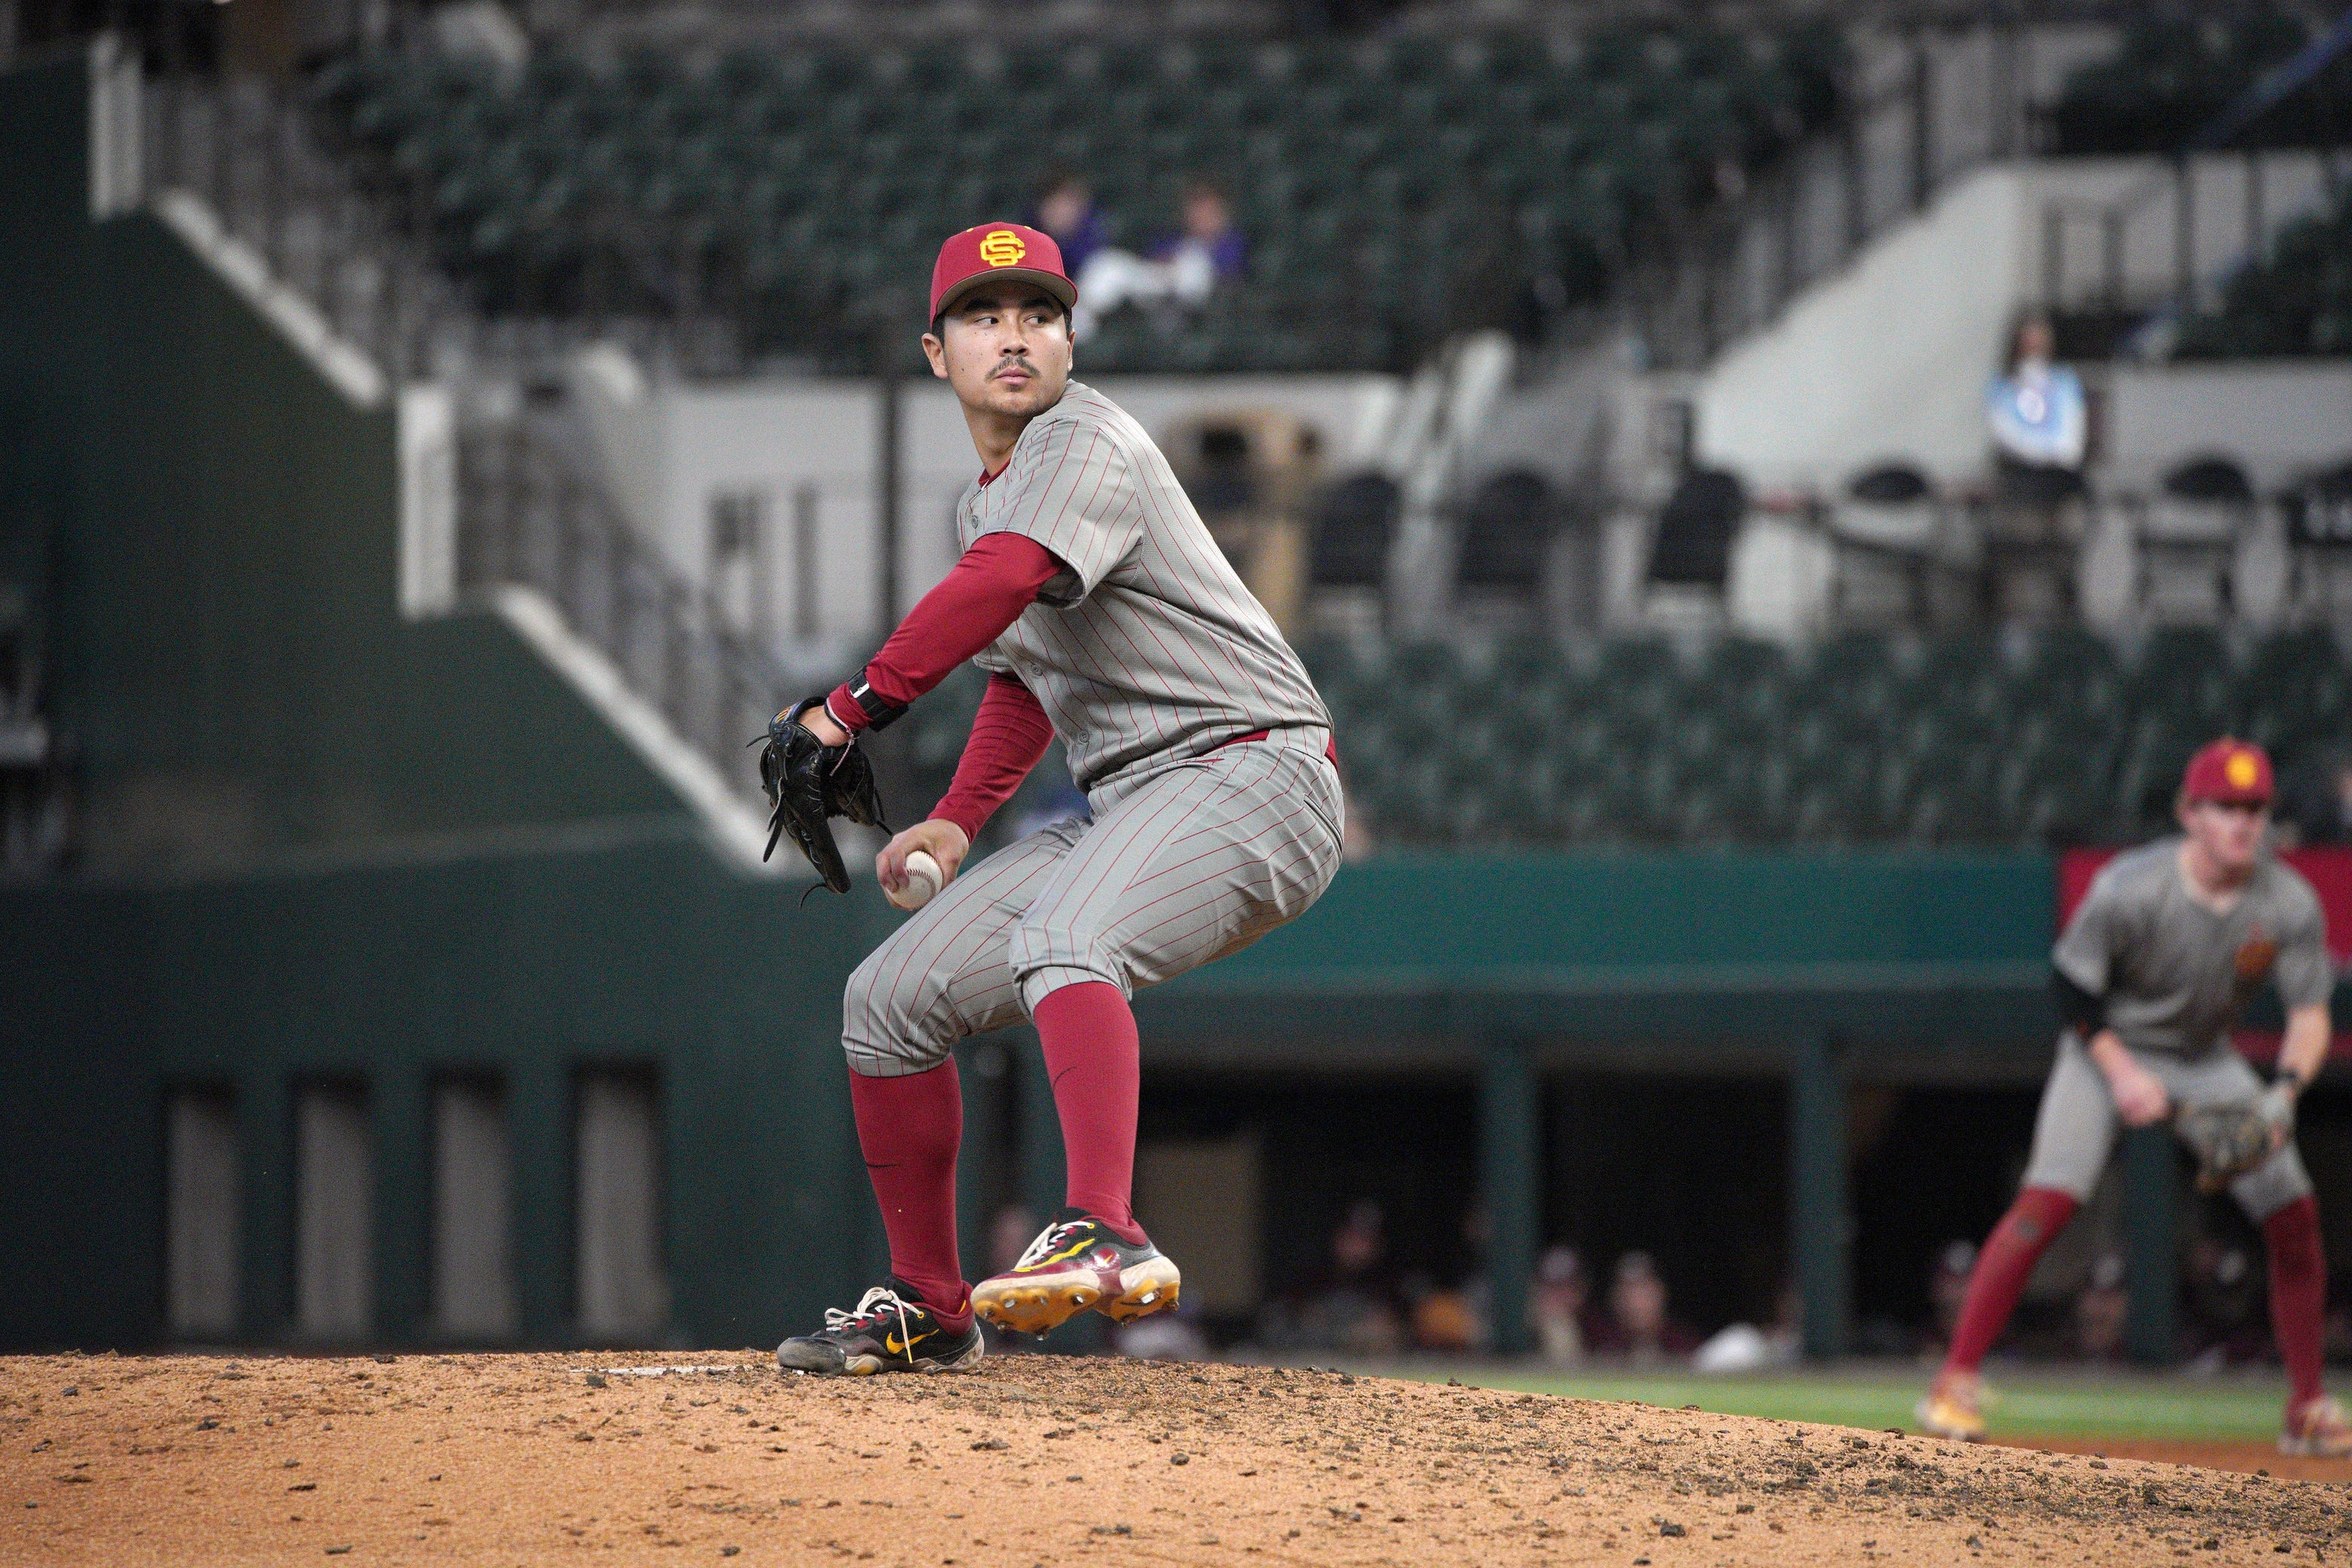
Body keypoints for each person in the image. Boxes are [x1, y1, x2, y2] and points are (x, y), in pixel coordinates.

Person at [770, 222, 1342, 1376]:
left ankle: (1108, 1231)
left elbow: (1006, 586)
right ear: (938, 353)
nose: (1014, 336)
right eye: (984, 317)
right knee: (887, 999)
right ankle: (931, 1306)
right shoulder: (992, 505)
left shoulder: (1084, 437)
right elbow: (1025, 682)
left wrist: (850, 709)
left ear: (1073, 343)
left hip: (1255, 765)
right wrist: (960, 818)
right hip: (1137, 797)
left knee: (1066, 937)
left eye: (1039, 315)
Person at [1918, 738, 2346, 1455]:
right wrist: (2122, 1075)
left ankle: (2306, 1405)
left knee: (2295, 1216)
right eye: (2224, 807)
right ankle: (1955, 1378)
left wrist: (2286, 1095)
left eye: (2255, 808)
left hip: (2208, 1062)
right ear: (2189, 812)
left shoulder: (2287, 900)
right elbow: (2074, 989)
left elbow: (2310, 1017)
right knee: (2049, 1199)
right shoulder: (2132, 885)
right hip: (2106, 1048)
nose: (2242, 823)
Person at [1983, 313, 2090, 620]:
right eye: (2029, 337)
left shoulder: (2063, 380)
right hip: (2020, 482)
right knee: (2017, 558)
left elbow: (2071, 430)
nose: (2035, 344)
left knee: (2063, 558)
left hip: (2060, 480)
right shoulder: (2003, 384)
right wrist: (2038, 456)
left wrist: (2058, 459)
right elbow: (2004, 430)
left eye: (2041, 337)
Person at [1071, 181, 1247, 341]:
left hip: (1196, 296)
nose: (1201, 216)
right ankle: (1080, 324)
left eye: (1208, 210)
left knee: (1194, 261)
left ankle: (1173, 319)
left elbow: (1227, 271)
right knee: (1108, 263)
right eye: (1196, 210)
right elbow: (1152, 261)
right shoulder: (1177, 238)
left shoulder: (1230, 241)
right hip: (1159, 287)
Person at [1591, 1251, 1699, 1364]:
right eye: (1628, 1295)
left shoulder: (1683, 1343)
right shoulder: (1599, 1342)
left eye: (1643, 1294)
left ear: (1660, 1294)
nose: (1635, 1305)